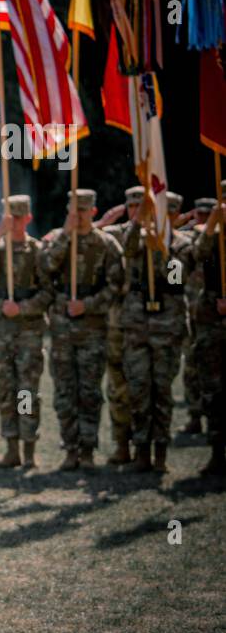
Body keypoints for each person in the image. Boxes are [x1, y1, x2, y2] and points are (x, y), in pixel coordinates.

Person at [42, 189, 123, 471]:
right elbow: (46, 268)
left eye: (83, 211)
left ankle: (87, 449)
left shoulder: (107, 244)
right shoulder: (58, 239)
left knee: (89, 392)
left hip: (92, 328)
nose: (78, 216)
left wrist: (87, 305)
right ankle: (70, 448)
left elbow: (116, 286)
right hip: (62, 329)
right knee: (65, 392)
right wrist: (66, 234)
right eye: (74, 211)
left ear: (94, 212)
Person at [0, 196, 52, 469]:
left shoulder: (37, 251)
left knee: (27, 393)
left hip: (29, 333)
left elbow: (48, 293)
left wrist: (23, 308)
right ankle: (11, 448)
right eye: (10, 217)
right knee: (5, 392)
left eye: (19, 217)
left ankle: (29, 449)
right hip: (4, 334)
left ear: (28, 218)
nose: (15, 222)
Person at [119, 197, 196, 473]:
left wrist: (161, 251)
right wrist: (138, 220)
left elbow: (176, 279)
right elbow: (125, 251)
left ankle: (160, 453)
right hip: (138, 325)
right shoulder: (138, 239)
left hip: (167, 326)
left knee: (162, 392)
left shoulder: (183, 245)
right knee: (139, 391)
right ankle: (141, 452)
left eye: (171, 210)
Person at [97, 186, 147, 463]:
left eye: (141, 207)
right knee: (117, 387)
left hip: (150, 325)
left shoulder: (161, 237)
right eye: (131, 207)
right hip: (118, 324)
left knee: (145, 386)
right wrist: (103, 222)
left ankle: (145, 447)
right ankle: (122, 444)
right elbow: (83, 240)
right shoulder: (114, 236)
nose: (135, 212)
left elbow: (177, 278)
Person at [194, 191, 226, 475]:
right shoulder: (209, 235)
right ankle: (217, 451)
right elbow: (196, 255)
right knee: (213, 390)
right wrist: (213, 224)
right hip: (211, 320)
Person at [181, 197, 216, 435]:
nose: (202, 218)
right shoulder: (184, 240)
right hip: (190, 312)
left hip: (213, 313)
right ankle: (195, 415)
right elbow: (174, 278)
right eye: (200, 214)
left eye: (208, 214)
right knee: (191, 366)